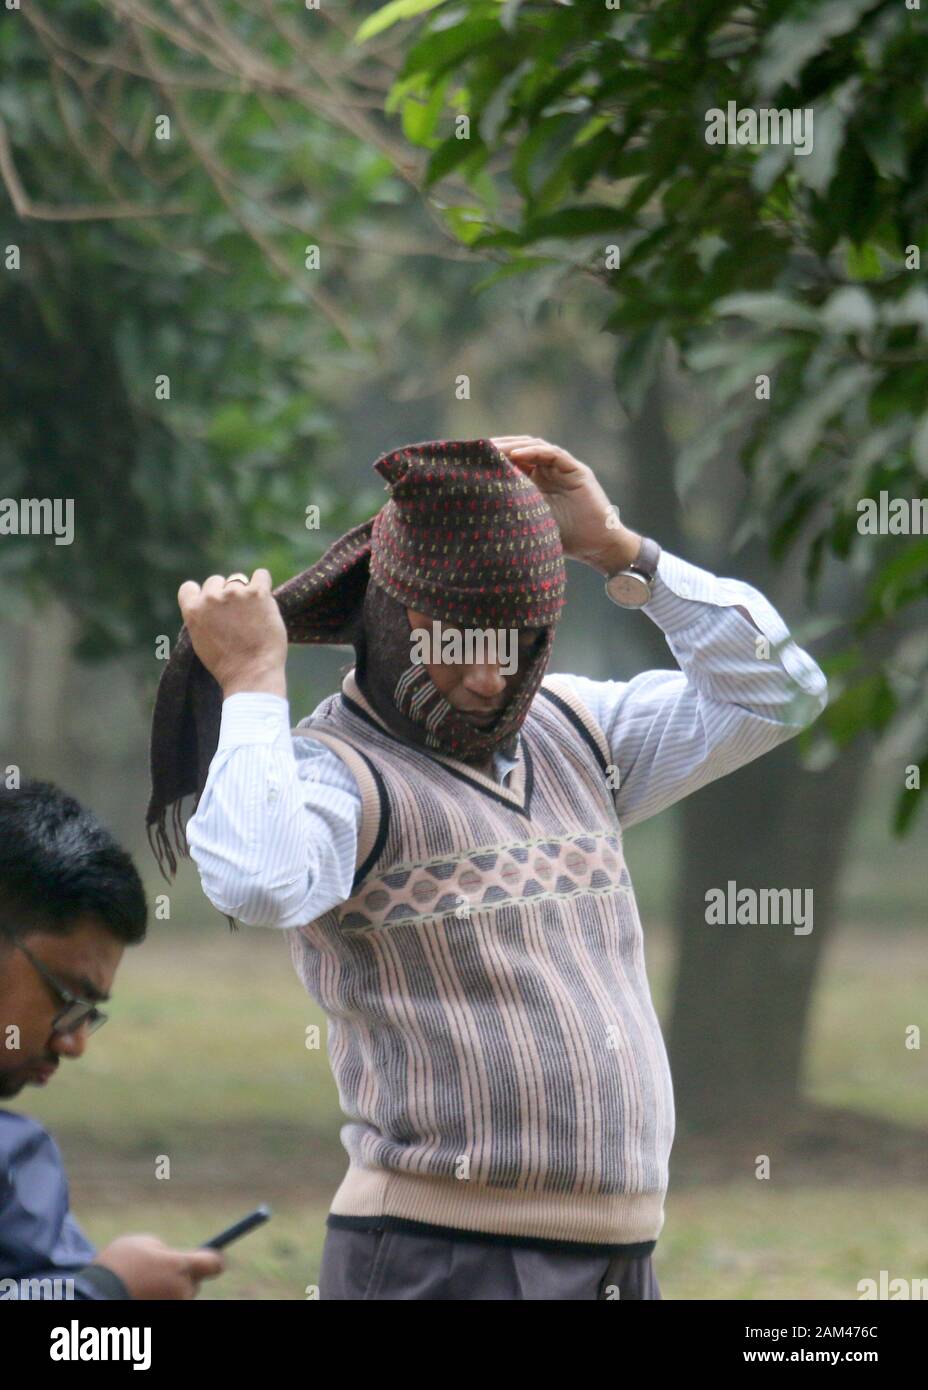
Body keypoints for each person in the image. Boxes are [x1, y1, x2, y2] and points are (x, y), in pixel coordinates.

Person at [146, 435, 828, 1300]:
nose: (485, 677)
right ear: (389, 621)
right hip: (441, 1255)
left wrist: (623, 553)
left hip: (620, 1254)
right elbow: (258, 881)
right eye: (453, 642)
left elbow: (783, 693)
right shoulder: (336, 776)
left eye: (515, 640)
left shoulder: (580, 732)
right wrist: (249, 679)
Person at [0, 779, 225, 1300]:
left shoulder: (16, 1157)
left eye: (88, 1015)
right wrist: (100, 1295)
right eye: (67, 998)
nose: (75, 1043)